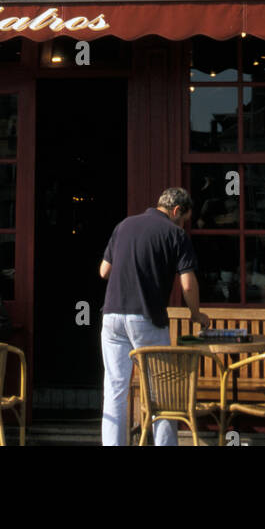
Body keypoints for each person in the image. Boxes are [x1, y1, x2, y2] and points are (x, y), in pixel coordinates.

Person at [99, 186, 210, 446]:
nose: (184, 224)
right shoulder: (175, 234)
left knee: (115, 391)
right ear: (176, 211)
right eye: (184, 218)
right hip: (146, 318)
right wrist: (196, 315)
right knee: (161, 391)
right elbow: (188, 285)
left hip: (112, 316)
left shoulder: (124, 225)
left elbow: (104, 271)